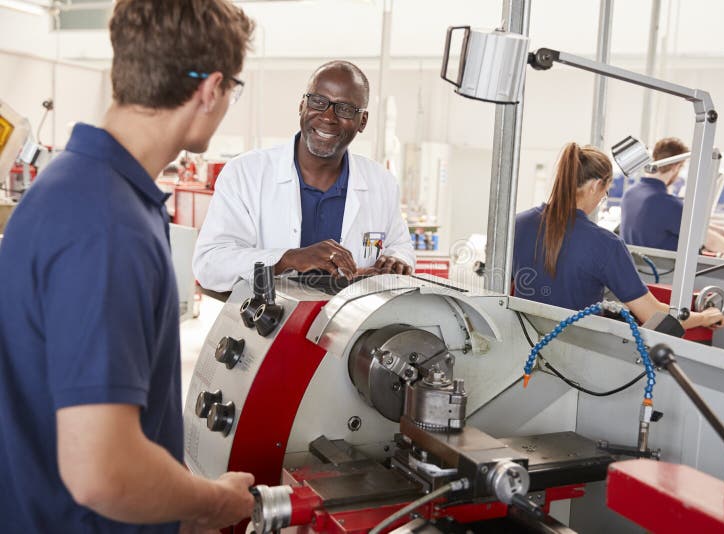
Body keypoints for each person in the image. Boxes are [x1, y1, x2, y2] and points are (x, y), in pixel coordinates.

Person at [0, 1, 256, 532]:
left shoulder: (83, 188)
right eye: (233, 87)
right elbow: (102, 471)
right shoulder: (106, 225)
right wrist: (208, 501)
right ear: (209, 89)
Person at [193, 61, 415, 292]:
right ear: (302, 106)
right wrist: (287, 259)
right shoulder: (245, 173)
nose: (328, 117)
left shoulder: (381, 182)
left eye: (345, 109)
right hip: (267, 325)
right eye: (318, 102)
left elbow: (400, 247)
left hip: (351, 325)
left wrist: (396, 261)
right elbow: (210, 263)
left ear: (363, 122)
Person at [512, 143, 724, 330]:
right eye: (605, 192)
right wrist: (704, 317)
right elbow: (652, 316)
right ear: (596, 185)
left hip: (522, 343)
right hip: (575, 356)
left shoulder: (518, 224)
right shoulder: (605, 244)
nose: (601, 199)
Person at [619, 137, 724, 259]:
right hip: (665, 275)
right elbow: (709, 241)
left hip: (639, 269)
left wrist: (722, 230)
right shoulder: (665, 203)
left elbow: (682, 221)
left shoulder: (631, 193)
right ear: (676, 167)